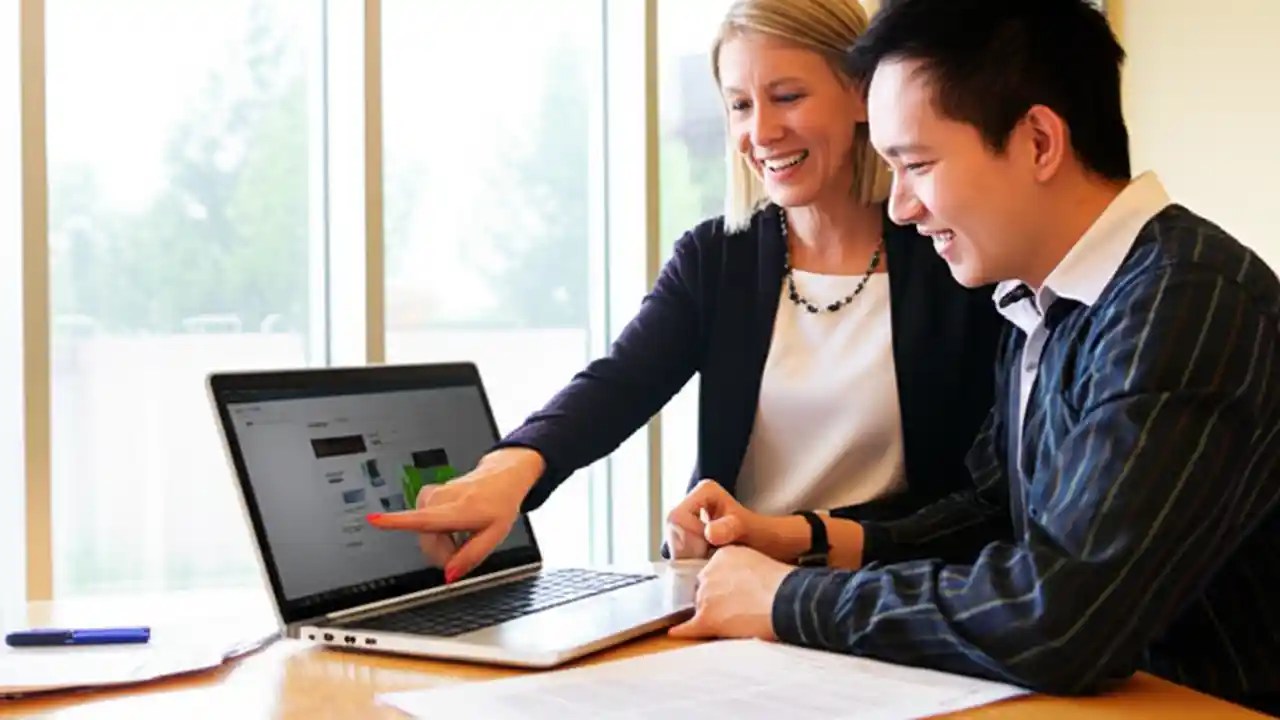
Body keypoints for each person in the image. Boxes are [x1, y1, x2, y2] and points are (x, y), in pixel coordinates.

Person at [661, 0, 1280, 714]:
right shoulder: (1040, 298)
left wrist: (788, 600)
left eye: (916, 164)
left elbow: (1065, 614)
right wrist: (807, 540)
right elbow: (990, 513)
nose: (899, 208)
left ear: (1040, 142)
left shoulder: (1189, 303)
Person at [367, 0, 1003, 583]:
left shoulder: (955, 259)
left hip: (896, 593)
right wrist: (510, 469)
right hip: (734, 596)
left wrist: (793, 539)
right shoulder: (716, 259)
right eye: (740, 105)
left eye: (786, 96)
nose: (762, 131)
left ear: (861, 94)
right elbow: (617, 385)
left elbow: (978, 497)